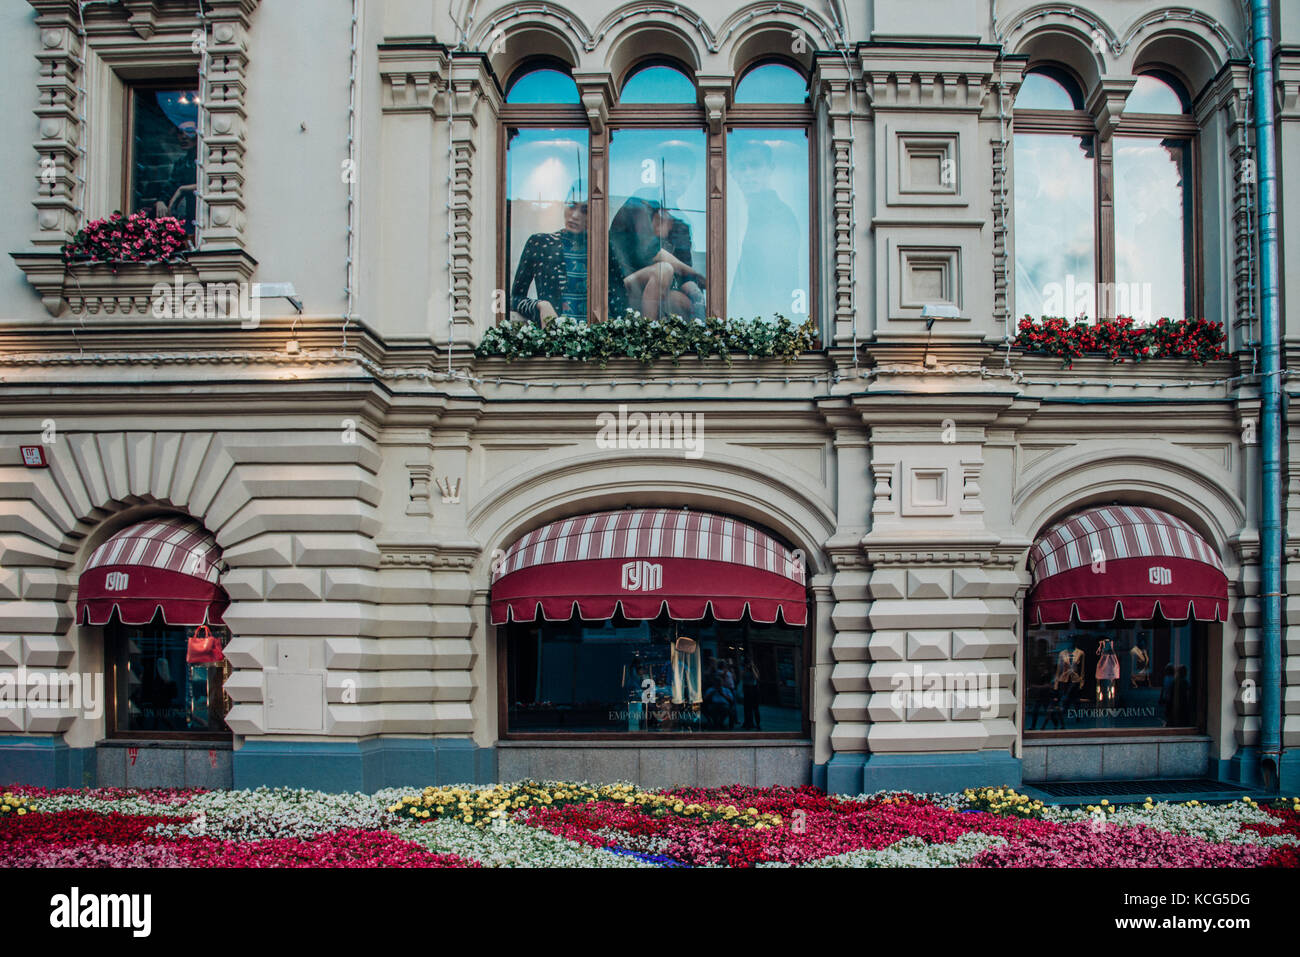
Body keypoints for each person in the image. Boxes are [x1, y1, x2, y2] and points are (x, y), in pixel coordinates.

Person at [609, 144, 705, 319]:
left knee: (684, 301)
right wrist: (694, 274)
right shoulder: (641, 203)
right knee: (664, 270)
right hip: (619, 287)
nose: (675, 183)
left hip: (657, 290)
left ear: (689, 180)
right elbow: (650, 252)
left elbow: (684, 271)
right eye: (670, 176)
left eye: (682, 178)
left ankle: (680, 341)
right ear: (661, 176)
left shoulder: (682, 223)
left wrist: (695, 290)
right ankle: (649, 335)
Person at [510, 183, 628, 322]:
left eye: (585, 210)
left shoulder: (604, 249)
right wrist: (540, 305)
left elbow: (620, 304)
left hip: (598, 340)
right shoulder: (541, 243)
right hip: (553, 340)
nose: (575, 216)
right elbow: (514, 299)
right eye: (571, 206)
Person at [728, 139, 800, 320]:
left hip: (764, 318)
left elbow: (780, 279)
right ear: (733, 173)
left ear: (770, 168)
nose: (748, 174)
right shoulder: (740, 212)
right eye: (742, 167)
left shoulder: (777, 213)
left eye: (755, 166)